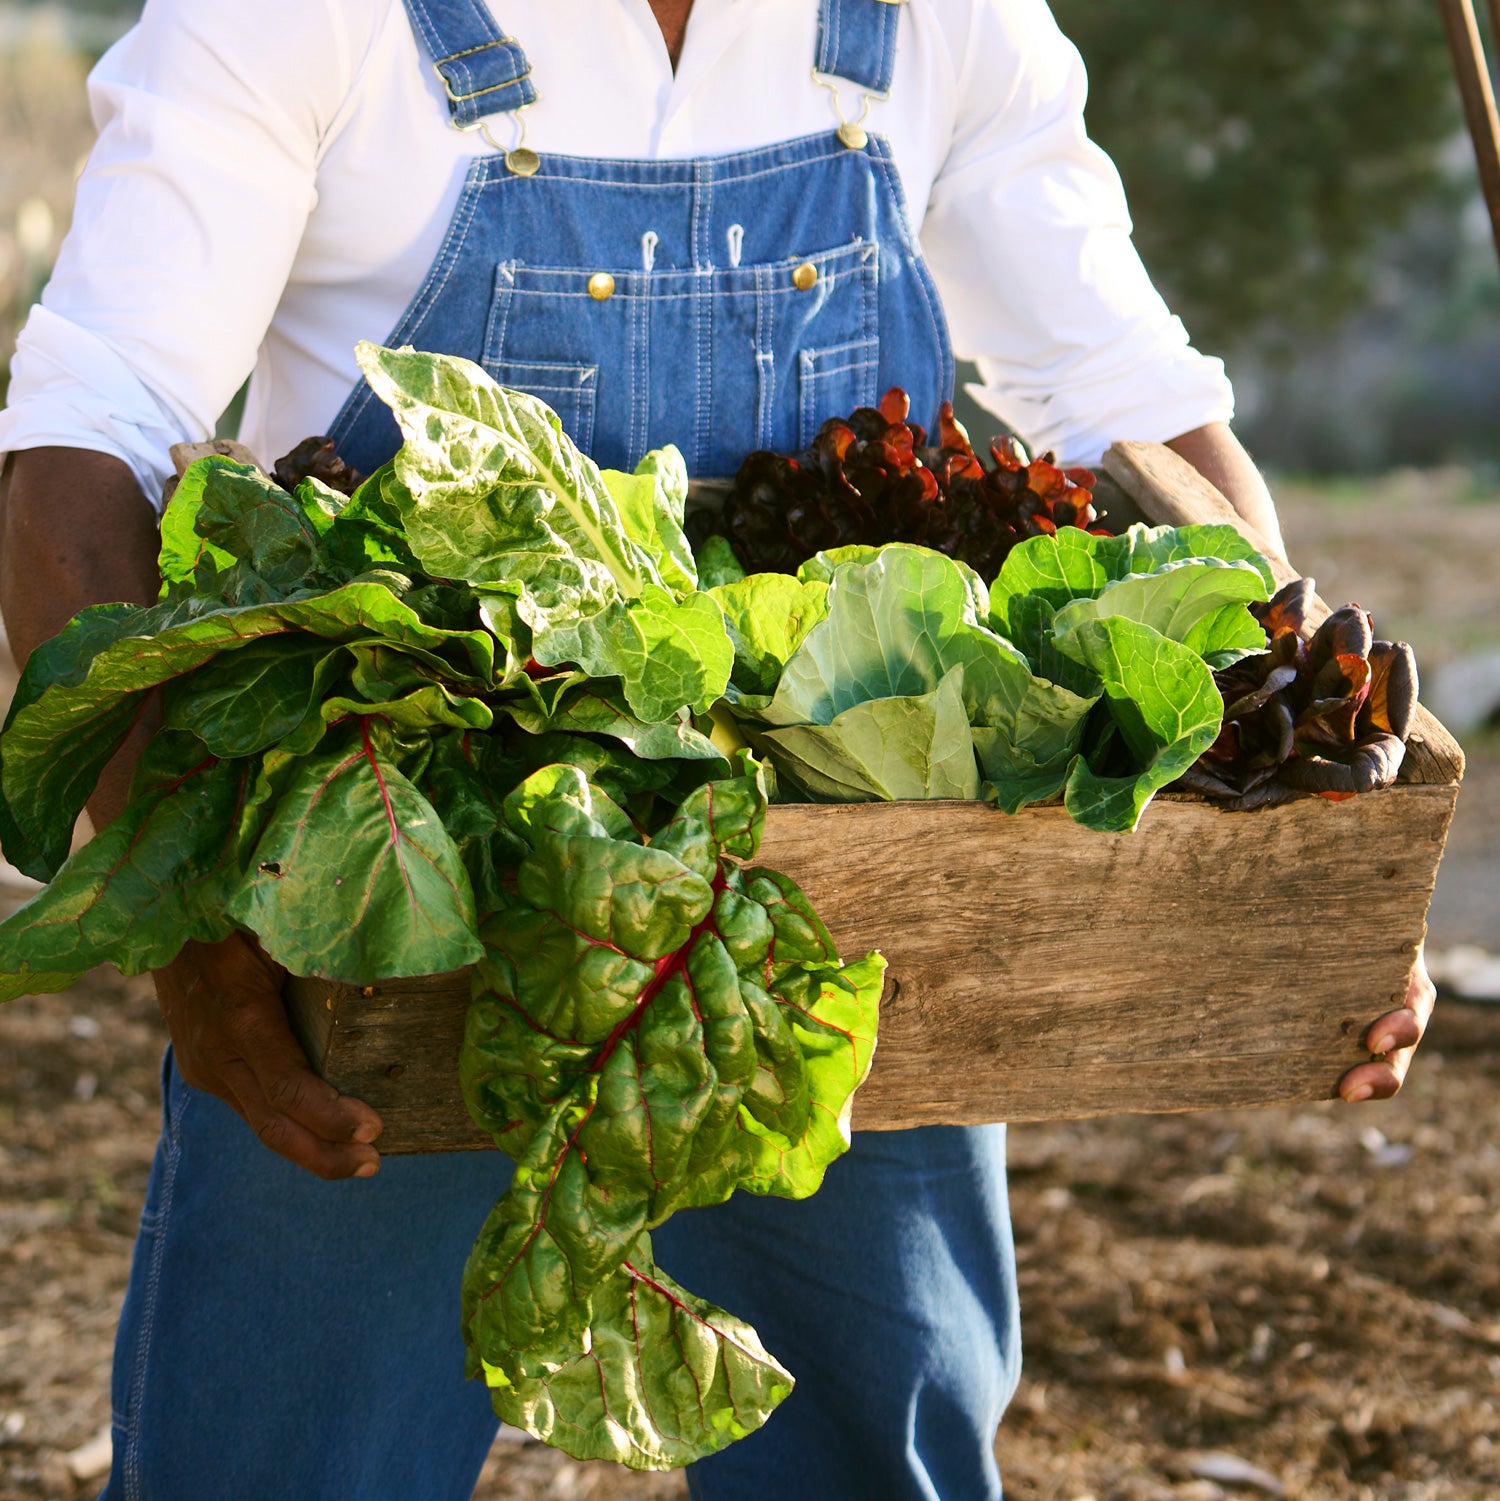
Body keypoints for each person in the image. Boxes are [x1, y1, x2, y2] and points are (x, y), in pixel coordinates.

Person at [0, 1, 1434, 1497]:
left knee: (877, 1462)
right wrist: (200, 925)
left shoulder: (939, 21)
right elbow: (85, 446)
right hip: (394, 889)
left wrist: (1327, 831)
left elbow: (1137, 417)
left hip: (838, 926)